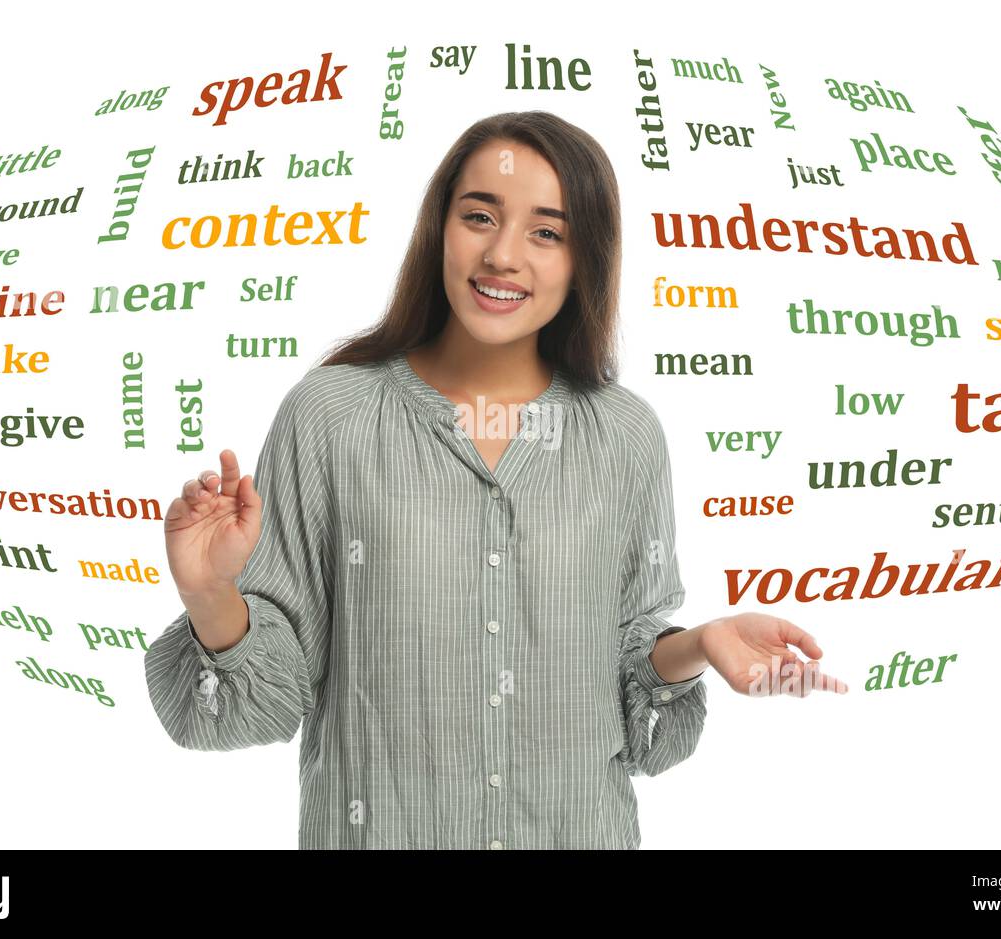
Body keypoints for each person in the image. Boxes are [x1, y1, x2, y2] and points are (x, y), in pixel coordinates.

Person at [145, 111, 846, 850]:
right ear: (438, 228)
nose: (503, 255)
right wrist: (208, 593)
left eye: (547, 231)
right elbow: (266, 701)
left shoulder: (627, 436)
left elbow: (632, 680)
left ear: (585, 259)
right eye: (479, 215)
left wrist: (699, 641)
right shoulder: (329, 415)